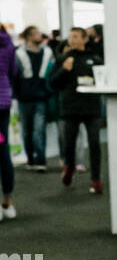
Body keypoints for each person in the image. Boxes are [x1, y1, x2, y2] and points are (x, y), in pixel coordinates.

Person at [48, 25, 104, 194]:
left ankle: (96, 179)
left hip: (91, 107)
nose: (71, 39)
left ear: (85, 39)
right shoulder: (63, 59)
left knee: (94, 143)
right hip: (70, 108)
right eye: (70, 36)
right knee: (69, 144)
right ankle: (69, 168)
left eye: (76, 36)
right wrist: (65, 70)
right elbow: (53, 84)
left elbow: (102, 79)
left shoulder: (94, 59)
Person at [15, 24, 53, 173]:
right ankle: (31, 158)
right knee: (27, 131)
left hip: (41, 97)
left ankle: (41, 160)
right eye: (36, 33)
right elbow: (15, 76)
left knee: (39, 129)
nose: (40, 35)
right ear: (29, 36)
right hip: (24, 98)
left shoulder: (48, 53)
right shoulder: (19, 54)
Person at [0, 22, 19, 218]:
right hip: (2, 103)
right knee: (3, 151)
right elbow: (14, 71)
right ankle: (7, 201)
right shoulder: (8, 45)